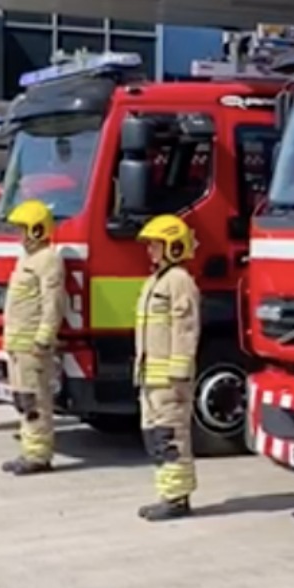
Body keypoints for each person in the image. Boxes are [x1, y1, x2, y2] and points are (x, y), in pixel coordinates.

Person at [131, 214, 202, 521]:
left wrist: (179, 372)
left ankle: (176, 499)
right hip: (151, 378)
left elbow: (185, 329)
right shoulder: (155, 280)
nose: (150, 250)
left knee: (170, 436)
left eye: (156, 245)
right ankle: (167, 493)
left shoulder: (180, 282)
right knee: (155, 436)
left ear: (173, 246)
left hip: (169, 380)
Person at [0, 199, 67, 475]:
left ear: (38, 230)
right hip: (17, 341)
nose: (20, 235)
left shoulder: (48, 259)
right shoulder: (26, 258)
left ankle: (39, 455)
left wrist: (44, 338)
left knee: (35, 400)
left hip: (32, 343)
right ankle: (29, 450)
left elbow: (53, 303)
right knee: (23, 399)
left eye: (24, 229)